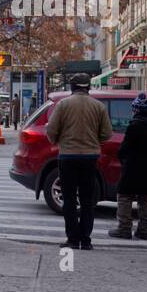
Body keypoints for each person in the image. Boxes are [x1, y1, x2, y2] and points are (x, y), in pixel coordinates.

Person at [45, 73, 112, 250]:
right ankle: (86, 239)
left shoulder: (63, 105)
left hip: (67, 156)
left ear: (73, 88)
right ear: (88, 87)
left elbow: (51, 130)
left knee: (69, 198)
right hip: (90, 158)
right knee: (87, 199)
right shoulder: (99, 106)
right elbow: (107, 133)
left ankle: (72, 239)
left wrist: (57, 141)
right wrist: (95, 142)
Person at [109, 93, 147, 240]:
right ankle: (143, 230)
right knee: (146, 198)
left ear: (136, 109)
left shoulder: (135, 125)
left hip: (132, 166)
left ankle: (124, 228)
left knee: (124, 196)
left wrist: (122, 158)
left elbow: (125, 147)